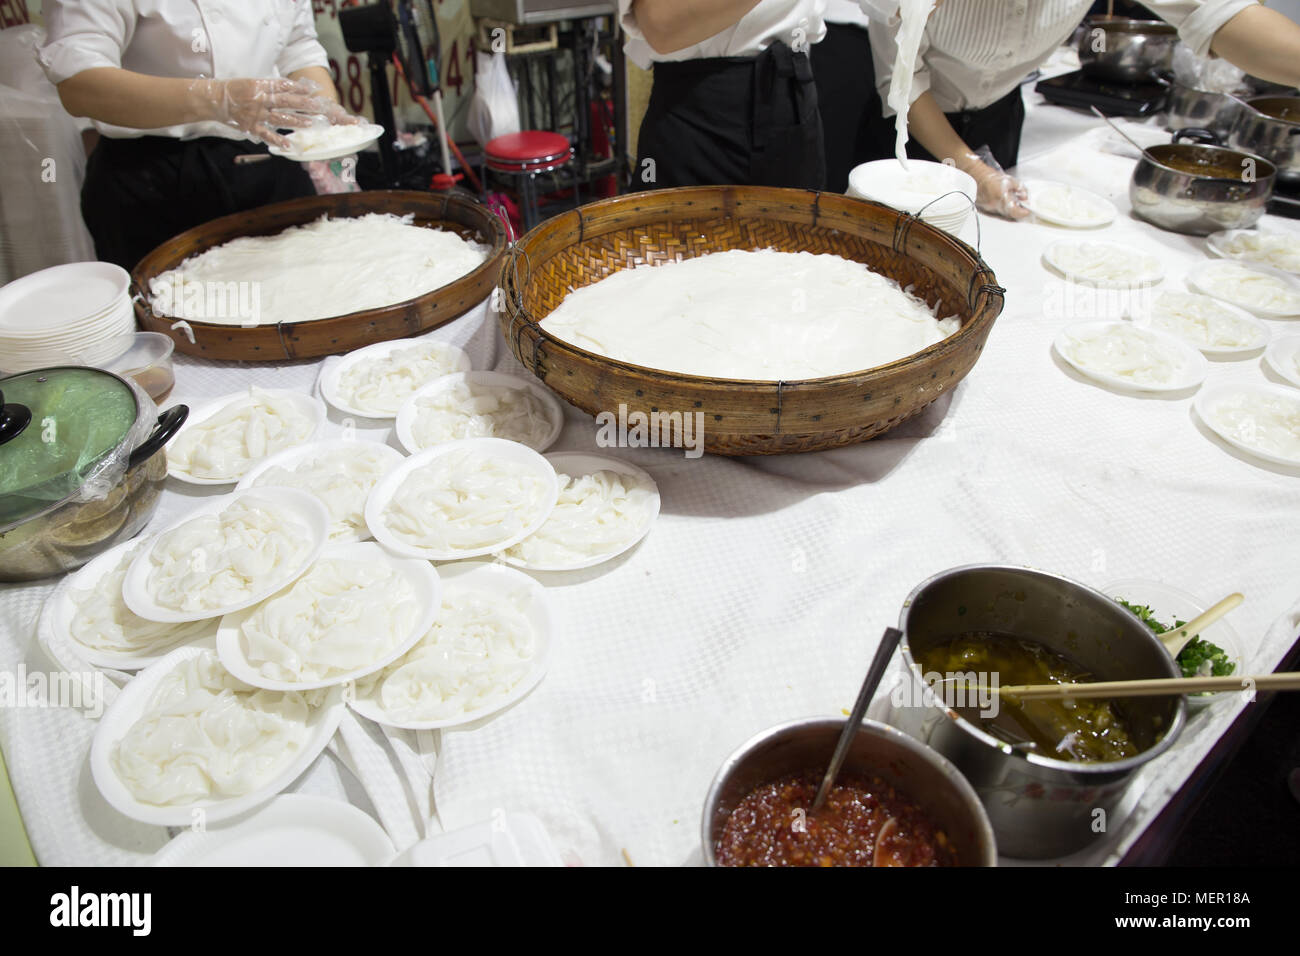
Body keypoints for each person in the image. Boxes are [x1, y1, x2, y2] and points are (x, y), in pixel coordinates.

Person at [867, 0, 1300, 218]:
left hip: (997, 112)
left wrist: (984, 171)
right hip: (904, 122)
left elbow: (1221, 14)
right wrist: (972, 169)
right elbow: (901, 79)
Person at [37, 0, 359, 270]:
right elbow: (78, 84)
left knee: (300, 293)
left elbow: (298, 47)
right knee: (175, 320)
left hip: (266, 160)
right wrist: (218, 99)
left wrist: (322, 112)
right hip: (154, 180)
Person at [620, 0, 828, 191]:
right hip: (690, 113)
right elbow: (661, 23)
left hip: (791, 101)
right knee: (668, 228)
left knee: (799, 230)